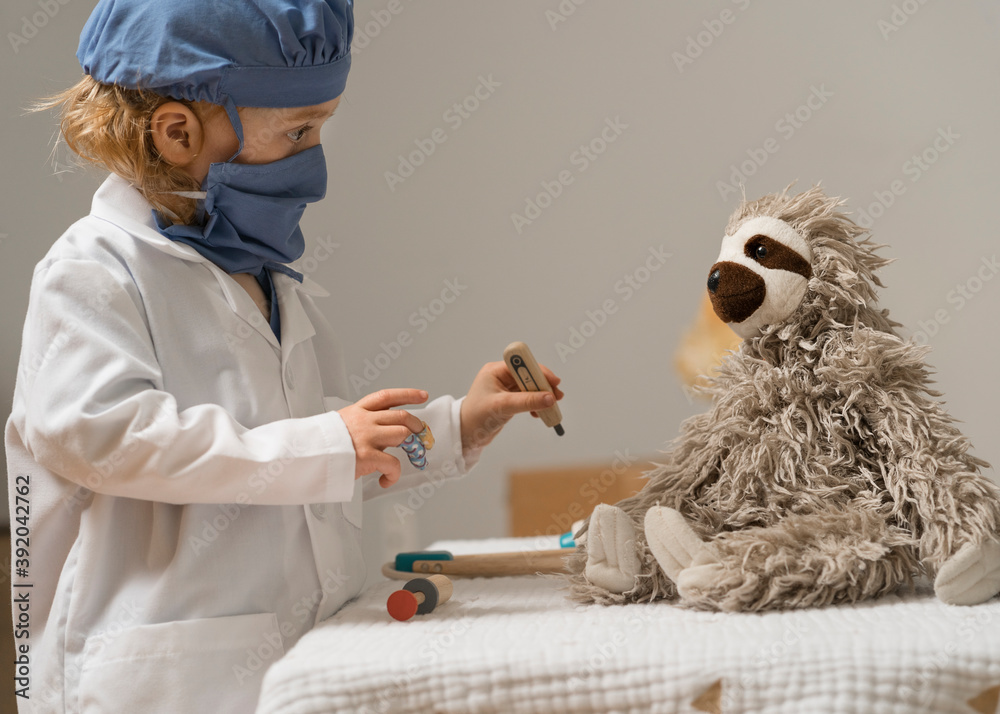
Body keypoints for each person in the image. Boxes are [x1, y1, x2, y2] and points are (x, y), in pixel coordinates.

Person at [5, 1, 563, 711]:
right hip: (155, 676)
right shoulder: (90, 272)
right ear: (177, 132)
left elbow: (298, 463)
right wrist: (329, 444)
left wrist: (454, 428)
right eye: (299, 130)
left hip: (281, 667)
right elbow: (101, 439)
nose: (314, 157)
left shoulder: (256, 271)